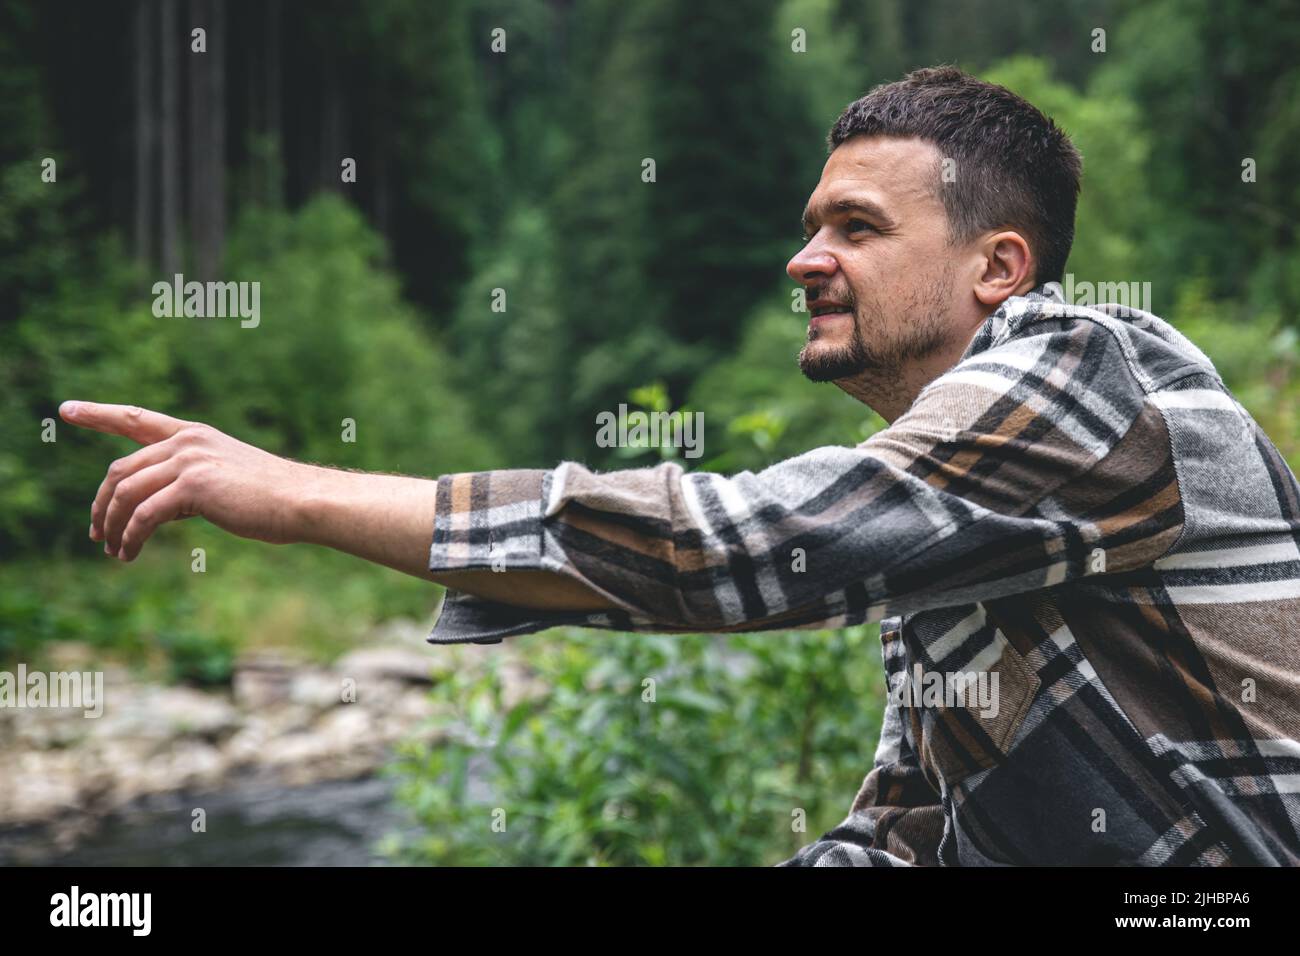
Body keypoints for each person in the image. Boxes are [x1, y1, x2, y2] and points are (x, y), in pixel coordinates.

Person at [61, 66, 1300, 866]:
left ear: (999, 266)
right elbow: (907, 829)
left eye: (856, 227)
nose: (803, 259)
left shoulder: (1089, 375)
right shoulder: (957, 506)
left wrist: (302, 493)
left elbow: (736, 545)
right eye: (810, 225)